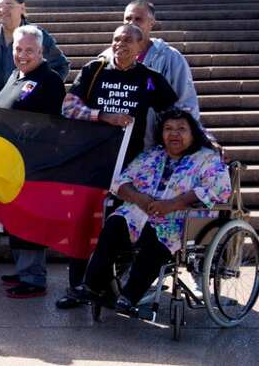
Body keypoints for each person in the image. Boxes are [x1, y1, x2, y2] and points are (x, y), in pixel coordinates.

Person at [57, 24, 179, 309]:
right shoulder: (95, 70)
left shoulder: (149, 78)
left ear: (140, 47)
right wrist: (102, 115)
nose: (119, 45)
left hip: (131, 164)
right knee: (84, 222)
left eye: (127, 40)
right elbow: (68, 107)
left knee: (115, 225)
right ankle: (79, 287)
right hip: (92, 160)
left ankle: (109, 287)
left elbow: (174, 113)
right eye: (115, 40)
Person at [81, 109, 230, 313]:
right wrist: (140, 199)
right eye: (168, 129)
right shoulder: (151, 155)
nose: (174, 133)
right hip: (139, 212)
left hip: (182, 219)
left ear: (193, 133)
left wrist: (174, 203)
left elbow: (220, 189)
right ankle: (92, 286)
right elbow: (121, 182)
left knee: (155, 236)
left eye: (181, 129)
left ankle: (130, 296)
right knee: (114, 224)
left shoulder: (207, 158)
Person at [0, 26, 67, 299]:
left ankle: (34, 278)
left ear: (41, 51)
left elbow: (52, 124)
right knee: (16, 218)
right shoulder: (15, 75)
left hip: (35, 163)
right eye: (18, 50)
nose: (23, 55)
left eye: (29, 51)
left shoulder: (50, 80)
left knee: (31, 220)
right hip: (10, 160)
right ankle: (23, 269)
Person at [99, 0, 201, 149]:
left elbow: (185, 103)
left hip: (153, 144)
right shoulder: (105, 59)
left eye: (138, 19)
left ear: (151, 23)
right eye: (128, 18)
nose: (131, 23)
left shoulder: (171, 58)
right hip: (111, 144)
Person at [0, 0, 70, 98]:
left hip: (25, 105)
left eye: (9, 5)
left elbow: (61, 66)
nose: (2, 10)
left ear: (22, 8)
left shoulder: (37, 36)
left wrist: (43, 90)